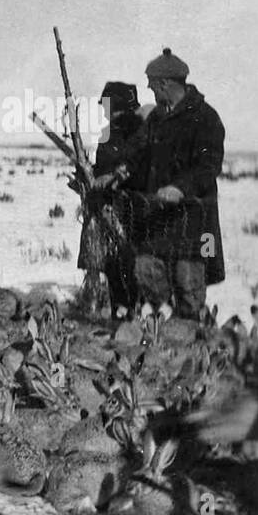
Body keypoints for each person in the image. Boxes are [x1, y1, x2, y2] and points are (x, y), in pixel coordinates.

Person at [108, 49, 225, 319]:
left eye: (151, 85)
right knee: (146, 269)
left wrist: (180, 188)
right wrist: (118, 172)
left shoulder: (206, 118)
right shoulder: (156, 119)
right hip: (159, 216)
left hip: (195, 218)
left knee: (189, 278)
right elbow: (137, 151)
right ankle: (164, 329)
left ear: (164, 84)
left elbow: (209, 167)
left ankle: (192, 335)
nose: (149, 90)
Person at [78, 81, 144, 317]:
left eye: (106, 105)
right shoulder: (110, 131)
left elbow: (133, 166)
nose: (103, 109)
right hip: (109, 205)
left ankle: (130, 309)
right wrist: (88, 173)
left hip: (128, 206)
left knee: (127, 259)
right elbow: (105, 165)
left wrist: (110, 177)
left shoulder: (135, 130)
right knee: (113, 261)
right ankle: (119, 308)